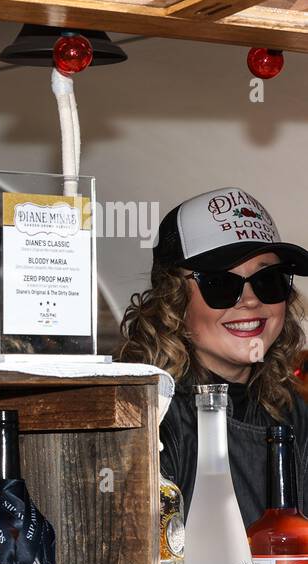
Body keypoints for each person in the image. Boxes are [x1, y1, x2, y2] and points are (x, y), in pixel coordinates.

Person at [118, 187, 308, 526]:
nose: (250, 300)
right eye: (221, 283)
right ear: (173, 302)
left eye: (268, 280)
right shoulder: (148, 414)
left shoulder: (294, 412)